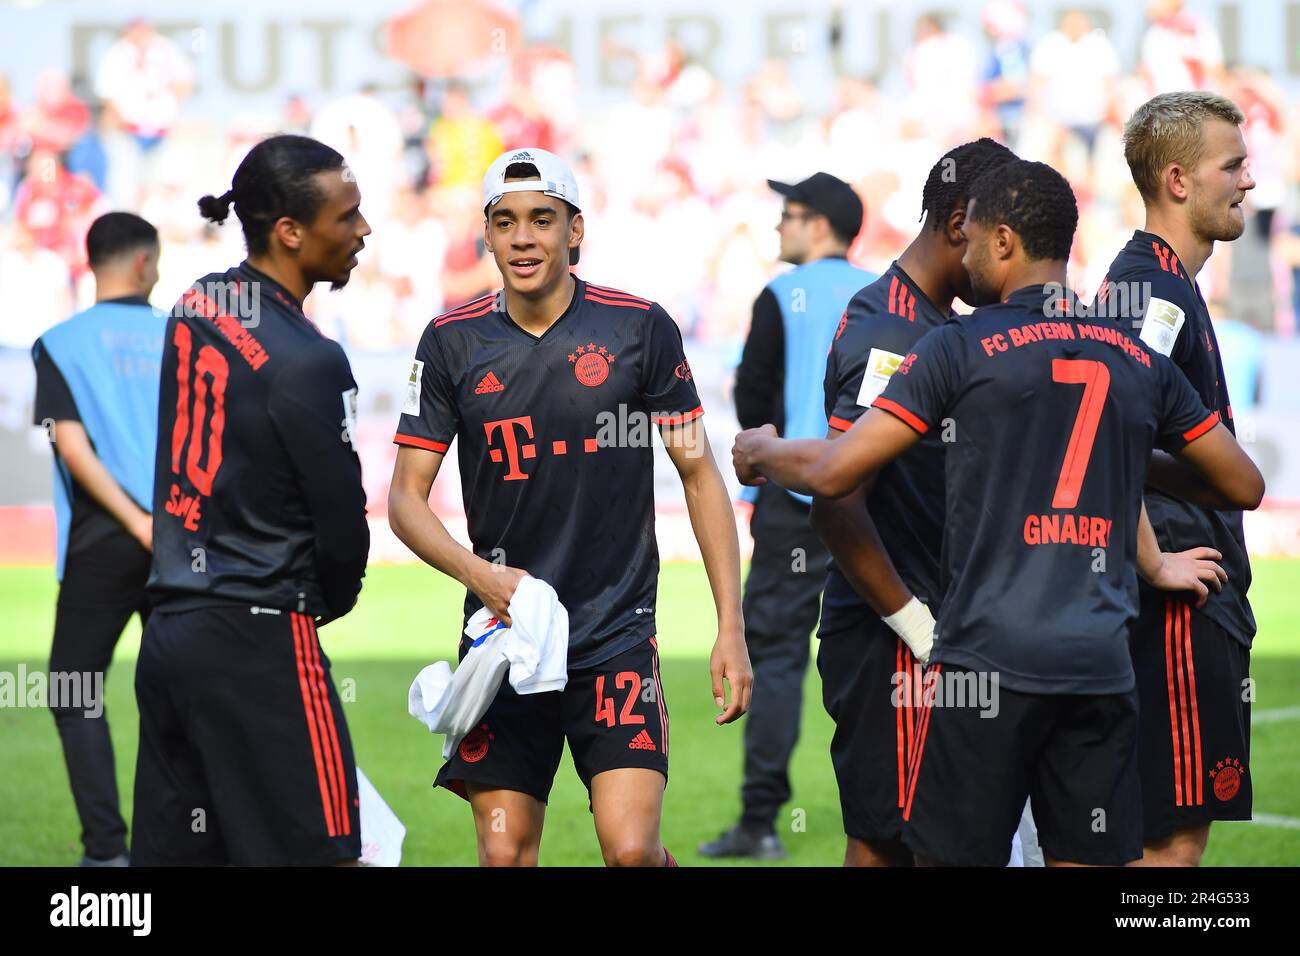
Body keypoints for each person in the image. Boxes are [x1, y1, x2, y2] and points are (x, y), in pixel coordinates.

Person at [732, 159, 1264, 866]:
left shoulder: (961, 347)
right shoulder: (1133, 358)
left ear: (1001, 241)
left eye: (977, 238)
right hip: (1099, 663)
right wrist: (1129, 482)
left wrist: (762, 449)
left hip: (987, 659)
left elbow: (835, 472)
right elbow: (1242, 484)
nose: (969, 255)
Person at [388, 147, 751, 867]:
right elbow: (404, 500)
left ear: (574, 232)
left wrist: (729, 627)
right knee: (505, 856)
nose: (524, 237)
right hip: (501, 641)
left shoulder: (639, 329)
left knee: (631, 852)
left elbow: (700, 474)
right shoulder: (449, 342)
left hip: (615, 634)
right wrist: (485, 582)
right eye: (505, 221)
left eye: (542, 219)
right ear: (486, 236)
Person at [132, 134, 372, 865]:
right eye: (348, 217)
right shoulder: (311, 359)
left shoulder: (196, 301)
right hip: (262, 635)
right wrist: (327, 600)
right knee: (321, 854)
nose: (364, 231)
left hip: (170, 630)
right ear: (290, 232)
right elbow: (342, 529)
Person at [811, 138, 1016, 867]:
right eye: (1002, 236)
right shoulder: (892, 331)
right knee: (900, 842)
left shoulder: (932, 321)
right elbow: (836, 497)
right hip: (895, 637)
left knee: (901, 840)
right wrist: (916, 627)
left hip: (930, 628)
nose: (1009, 258)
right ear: (960, 223)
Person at [1096, 91, 1258, 866]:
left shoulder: (1162, 282)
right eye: (1233, 165)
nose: (1249, 182)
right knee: (1169, 846)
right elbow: (1105, 430)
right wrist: (1154, 559)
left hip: (1179, 595)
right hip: (1175, 608)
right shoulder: (1152, 291)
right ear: (1178, 180)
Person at [700, 172, 872, 861]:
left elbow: (754, 399)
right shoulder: (884, 292)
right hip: (870, 501)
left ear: (821, 224)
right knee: (877, 656)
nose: (779, 227)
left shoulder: (779, 295)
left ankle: (760, 822)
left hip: (792, 501)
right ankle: (895, 810)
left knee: (774, 661)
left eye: (790, 214)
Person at [31, 212, 167, 867]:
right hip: (183, 540)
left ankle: (107, 852)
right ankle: (184, 845)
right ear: (145, 263)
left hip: (100, 541)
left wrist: (130, 520)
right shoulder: (186, 336)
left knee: (73, 690)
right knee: (181, 695)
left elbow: (74, 449)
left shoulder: (58, 342)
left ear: (93, 261)